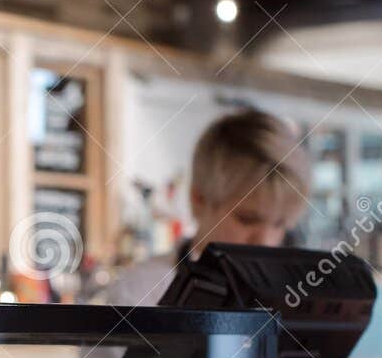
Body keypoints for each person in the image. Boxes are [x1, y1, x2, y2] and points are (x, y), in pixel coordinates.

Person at [103, 108, 312, 308]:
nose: (265, 242)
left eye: (279, 223)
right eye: (247, 219)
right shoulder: (138, 293)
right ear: (199, 199)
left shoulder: (295, 297)